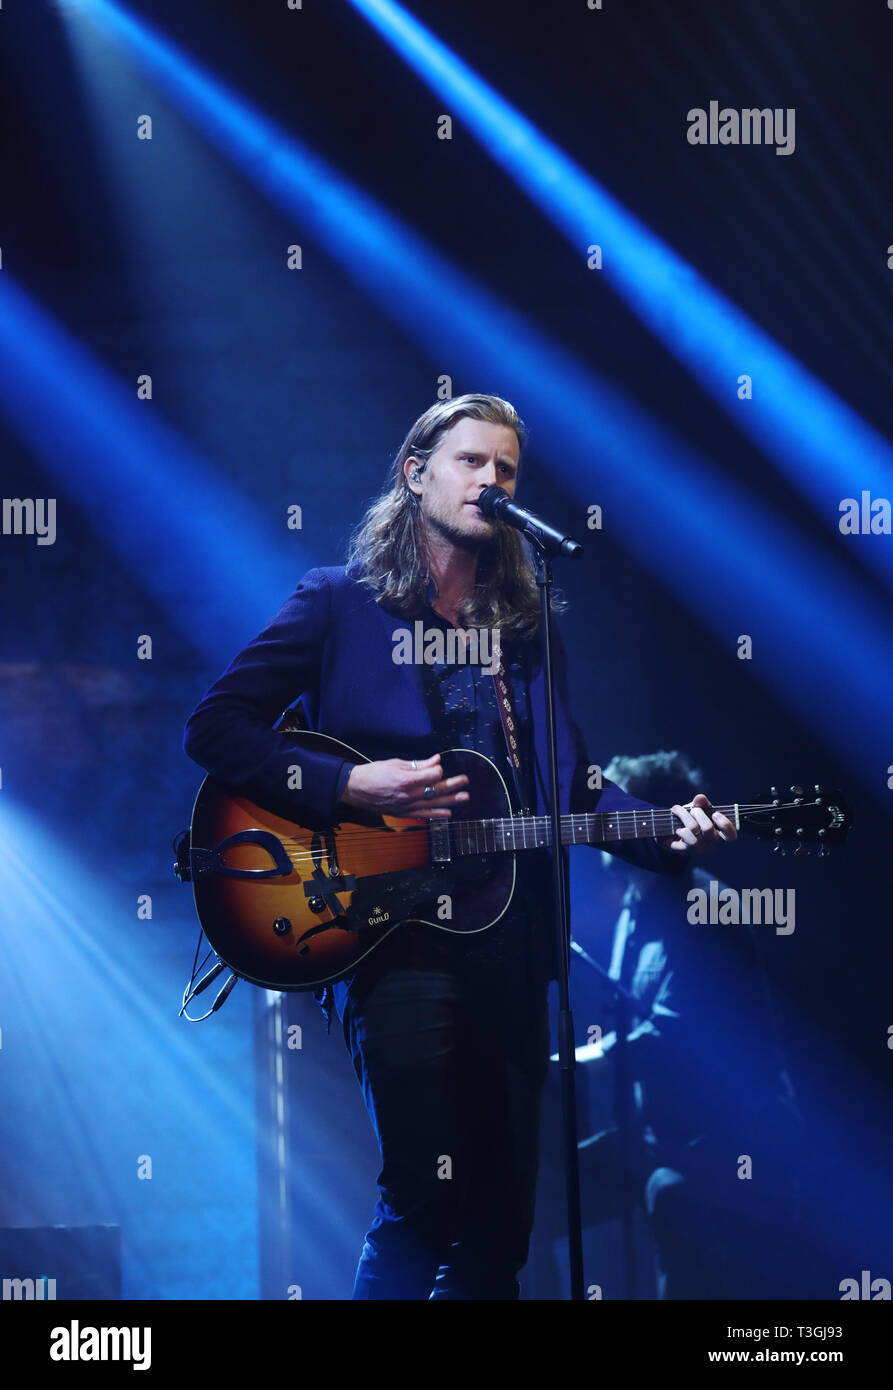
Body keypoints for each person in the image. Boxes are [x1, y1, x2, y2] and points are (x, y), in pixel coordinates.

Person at [183, 394, 736, 1300]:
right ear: (416, 474)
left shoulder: (524, 633)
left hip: (512, 950)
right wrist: (348, 785)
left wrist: (669, 833)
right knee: (425, 1198)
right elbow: (215, 728)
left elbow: (572, 790)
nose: (491, 481)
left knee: (502, 1231)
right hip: (388, 938)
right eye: (471, 462)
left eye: (506, 470)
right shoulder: (338, 604)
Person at [566, 750, 806, 1298]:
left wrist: (572, 1065)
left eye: (620, 812)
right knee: (532, 1194)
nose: (606, 824)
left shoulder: (706, 904)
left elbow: (672, 1042)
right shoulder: (635, 906)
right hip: (666, 1144)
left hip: (730, 1153)